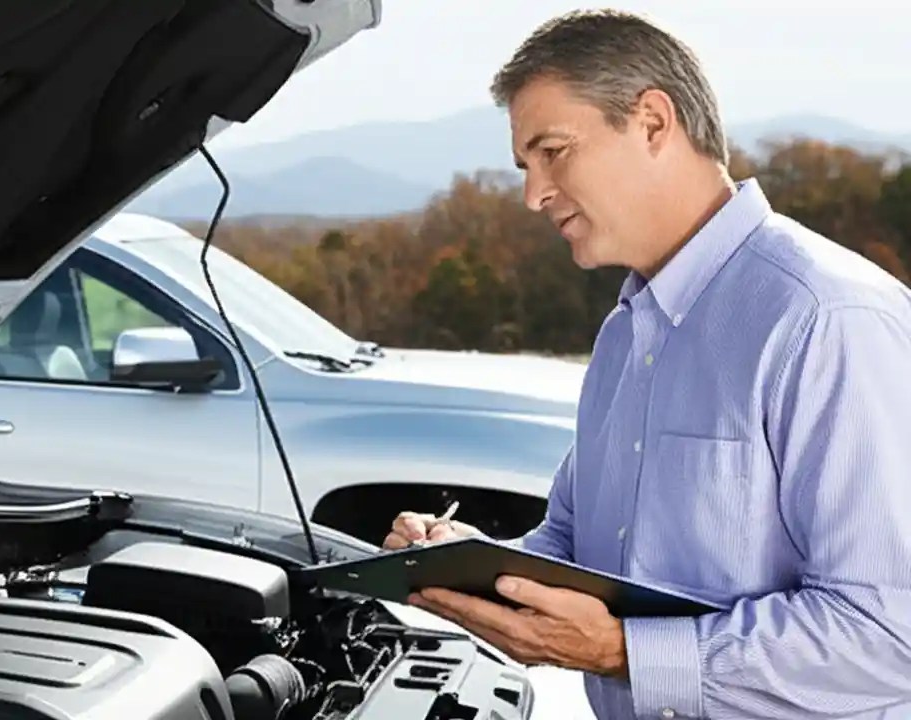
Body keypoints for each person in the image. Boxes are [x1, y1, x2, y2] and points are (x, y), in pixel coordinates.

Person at [383, 9, 911, 719]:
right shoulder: (624, 335)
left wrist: (623, 651)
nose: (532, 195)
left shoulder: (829, 319)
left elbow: (889, 633)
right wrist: (476, 566)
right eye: (525, 165)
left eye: (554, 151)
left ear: (654, 123)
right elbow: (577, 544)